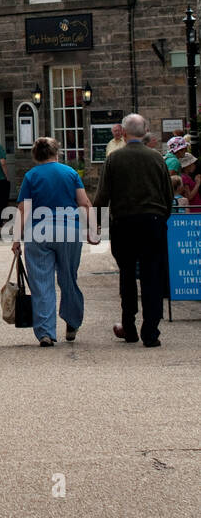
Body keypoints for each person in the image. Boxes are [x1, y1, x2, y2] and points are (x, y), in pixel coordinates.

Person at [94, 114, 173, 347]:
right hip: (153, 221)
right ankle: (151, 331)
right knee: (152, 276)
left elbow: (102, 196)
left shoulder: (114, 159)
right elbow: (167, 194)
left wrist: (96, 224)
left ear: (125, 134)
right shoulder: (157, 158)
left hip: (124, 223)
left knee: (127, 275)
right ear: (145, 131)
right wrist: (162, 218)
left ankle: (128, 327)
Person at [13, 137, 96, 347]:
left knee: (42, 283)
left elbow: (23, 209)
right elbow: (84, 203)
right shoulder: (70, 173)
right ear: (56, 153)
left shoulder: (31, 176)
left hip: (38, 232)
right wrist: (92, 230)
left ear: (35, 155)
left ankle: (46, 332)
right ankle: (72, 321)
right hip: (69, 230)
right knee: (69, 278)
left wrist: (16, 238)